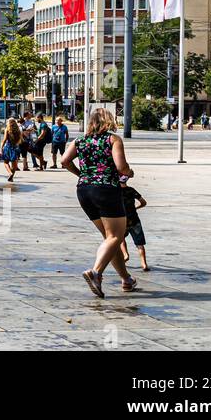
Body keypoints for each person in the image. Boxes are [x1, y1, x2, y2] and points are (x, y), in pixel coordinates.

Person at [60, 107, 139, 298]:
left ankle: (126, 279)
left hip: (84, 191)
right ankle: (95, 272)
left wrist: (82, 175)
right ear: (109, 121)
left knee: (110, 238)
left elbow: (64, 161)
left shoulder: (79, 141)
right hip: (106, 190)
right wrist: (129, 172)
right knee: (115, 237)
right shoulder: (113, 139)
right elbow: (121, 167)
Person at [119, 178, 150, 271]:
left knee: (120, 238)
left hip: (122, 220)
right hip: (134, 219)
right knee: (140, 244)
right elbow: (143, 202)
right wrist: (136, 208)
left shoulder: (116, 192)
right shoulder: (131, 190)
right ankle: (144, 263)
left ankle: (125, 255)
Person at [1, 117, 23, 182]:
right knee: (14, 165)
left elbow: (4, 140)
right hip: (15, 148)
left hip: (8, 147)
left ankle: (10, 173)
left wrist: (1, 148)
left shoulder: (7, 130)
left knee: (6, 162)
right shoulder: (18, 130)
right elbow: (20, 140)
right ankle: (11, 177)